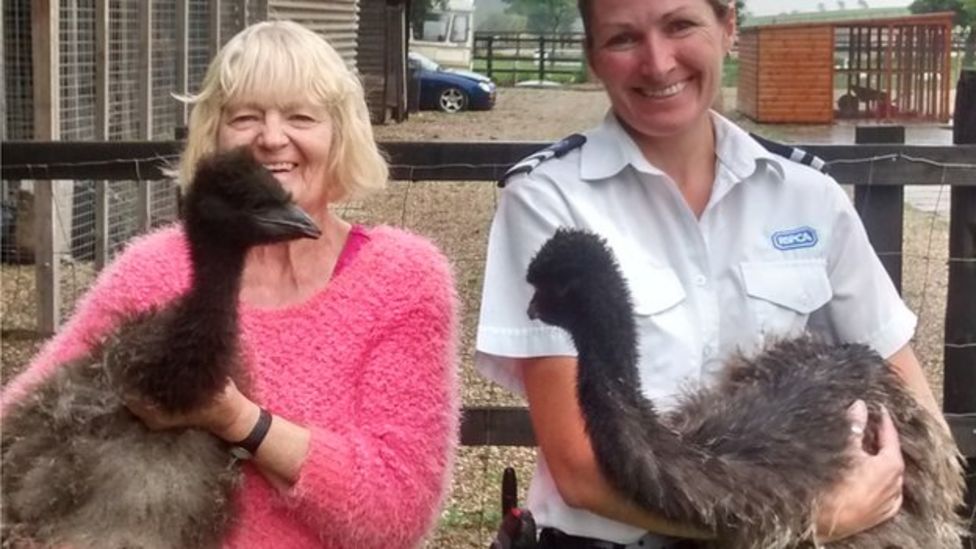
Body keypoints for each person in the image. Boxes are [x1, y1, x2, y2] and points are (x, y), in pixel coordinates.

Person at [475, 0, 944, 547]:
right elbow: (582, 471)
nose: (658, 63)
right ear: (593, 57)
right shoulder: (547, 202)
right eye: (623, 39)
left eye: (680, 25)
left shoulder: (809, 197)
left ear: (728, 29)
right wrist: (811, 521)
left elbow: (908, 394)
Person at [3, 21, 459, 548]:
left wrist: (241, 420)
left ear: (340, 134)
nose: (270, 137)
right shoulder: (154, 270)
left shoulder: (401, 279)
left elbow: (396, 513)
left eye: (300, 116)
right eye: (245, 117)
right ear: (214, 135)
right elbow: (25, 419)